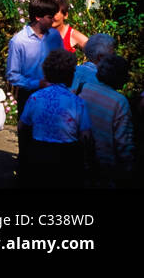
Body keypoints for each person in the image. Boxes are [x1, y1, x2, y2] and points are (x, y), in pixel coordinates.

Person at [17, 50, 93, 188]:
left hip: (38, 154)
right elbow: (85, 136)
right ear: (70, 74)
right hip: (67, 158)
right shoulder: (77, 102)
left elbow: (22, 126)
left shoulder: (35, 97)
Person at [80, 54, 134, 187]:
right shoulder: (120, 101)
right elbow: (123, 142)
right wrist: (129, 170)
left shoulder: (83, 88)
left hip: (79, 160)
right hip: (104, 167)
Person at [7, 0, 63, 116]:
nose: (53, 20)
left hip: (53, 94)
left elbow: (62, 61)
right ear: (38, 17)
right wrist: (37, 84)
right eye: (50, 17)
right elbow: (12, 75)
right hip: (29, 96)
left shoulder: (55, 36)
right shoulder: (19, 41)